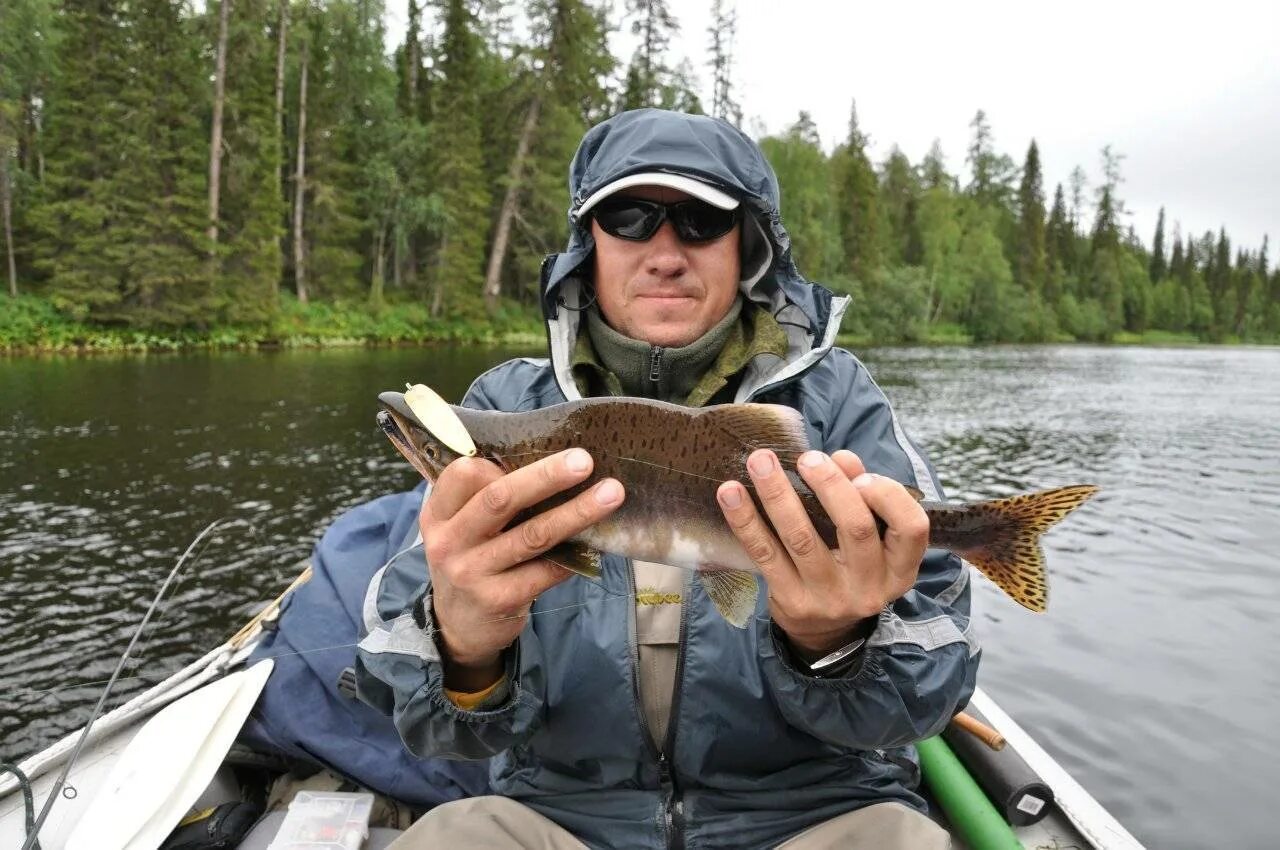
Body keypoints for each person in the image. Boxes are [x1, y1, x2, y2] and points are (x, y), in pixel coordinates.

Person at [355, 108, 979, 849]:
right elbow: (426, 722)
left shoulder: (837, 402)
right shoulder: (503, 407)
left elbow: (931, 687)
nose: (664, 252)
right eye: (628, 216)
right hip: (559, 815)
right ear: (588, 241)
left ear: (747, 243)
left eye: (699, 220)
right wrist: (465, 643)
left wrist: (832, 643)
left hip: (817, 811)